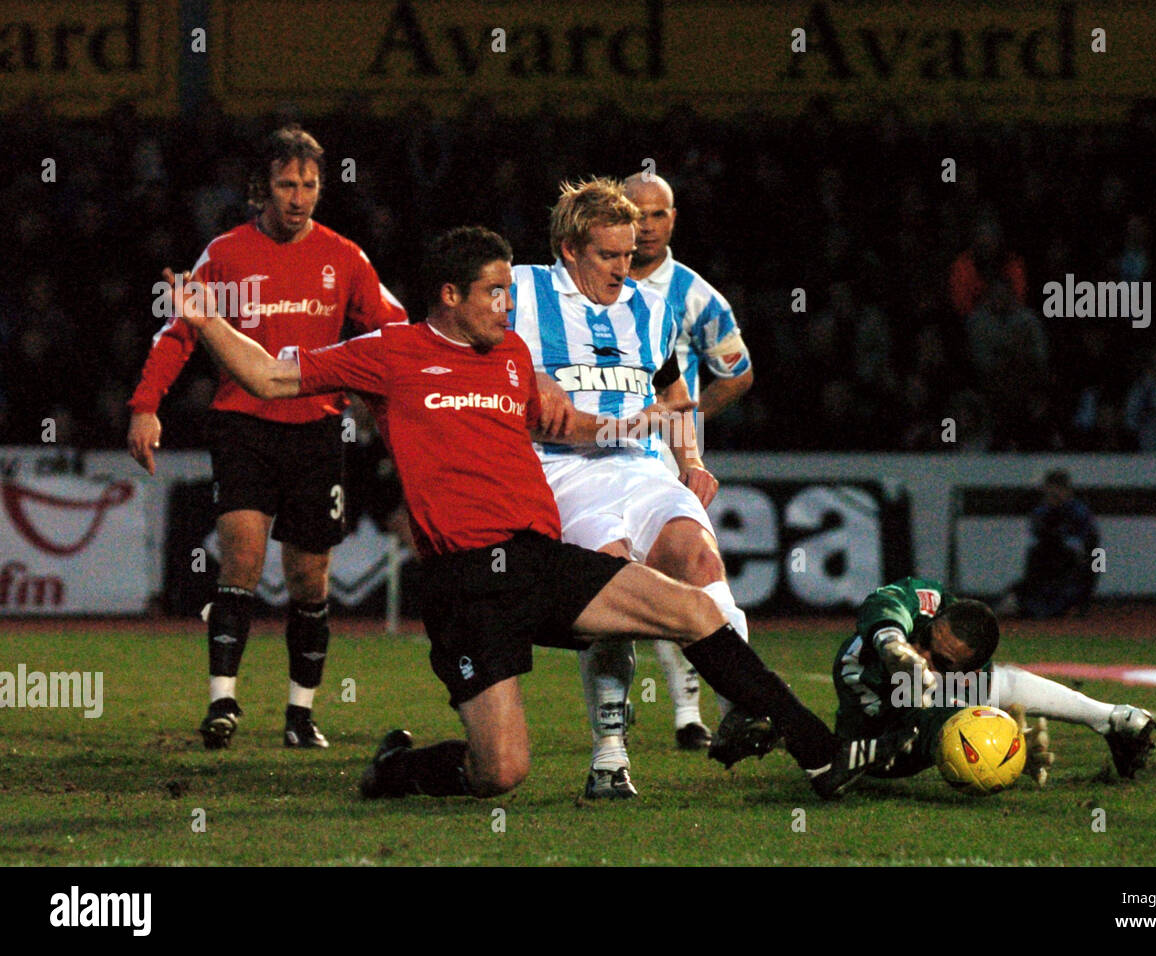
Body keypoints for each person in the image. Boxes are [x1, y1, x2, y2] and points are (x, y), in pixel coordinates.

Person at [162, 225, 920, 802]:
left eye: (507, 291)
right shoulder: (389, 353)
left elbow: (567, 428)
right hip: (462, 584)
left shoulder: (516, 356)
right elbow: (266, 375)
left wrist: (643, 424)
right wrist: (203, 322)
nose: (506, 303)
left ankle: (822, 753)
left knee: (695, 610)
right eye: (492, 292)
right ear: (450, 296)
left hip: (536, 560)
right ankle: (395, 770)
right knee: (501, 773)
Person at [126, 126, 407, 750]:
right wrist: (146, 406)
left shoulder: (347, 258)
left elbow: (394, 333)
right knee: (243, 557)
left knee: (310, 577)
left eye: (308, 185)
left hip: (316, 430)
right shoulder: (224, 254)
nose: (298, 197)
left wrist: (404, 409)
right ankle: (222, 703)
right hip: (243, 424)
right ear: (263, 188)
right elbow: (180, 332)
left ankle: (300, 714)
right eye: (286, 184)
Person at [508, 179, 765, 799]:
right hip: (564, 472)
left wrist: (694, 458)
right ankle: (610, 754)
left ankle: (747, 705)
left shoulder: (652, 308)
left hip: (645, 469)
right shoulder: (519, 290)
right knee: (615, 595)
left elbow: (676, 396)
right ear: (569, 249)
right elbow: (459, 338)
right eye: (609, 256)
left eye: (629, 255)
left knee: (702, 561)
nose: (625, 269)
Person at [621, 172, 754, 754]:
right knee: (621, 585)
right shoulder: (593, 276)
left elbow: (738, 372)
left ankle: (690, 713)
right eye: (636, 214)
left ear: (673, 219)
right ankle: (626, 712)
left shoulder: (696, 294)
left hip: (665, 467)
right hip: (597, 456)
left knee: (688, 580)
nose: (646, 227)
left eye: (657, 215)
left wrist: (686, 429)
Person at [822, 576, 1156, 788]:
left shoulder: (968, 677)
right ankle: (1111, 718)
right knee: (940, 720)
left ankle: (1113, 718)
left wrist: (1003, 749)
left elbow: (933, 722)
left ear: (965, 671)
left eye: (941, 660)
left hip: (906, 722)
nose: (921, 654)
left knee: (985, 696)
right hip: (870, 704)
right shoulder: (930, 610)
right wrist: (892, 640)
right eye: (926, 638)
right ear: (935, 621)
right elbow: (889, 599)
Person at [997, 470, 1100, 619]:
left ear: (1066, 491)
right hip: (1049, 564)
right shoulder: (1042, 512)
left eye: (1057, 493)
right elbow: (1037, 539)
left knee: (1096, 558)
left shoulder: (1079, 512)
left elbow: (1090, 543)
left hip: (1072, 566)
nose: (1052, 497)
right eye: (1049, 493)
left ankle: (1077, 603)